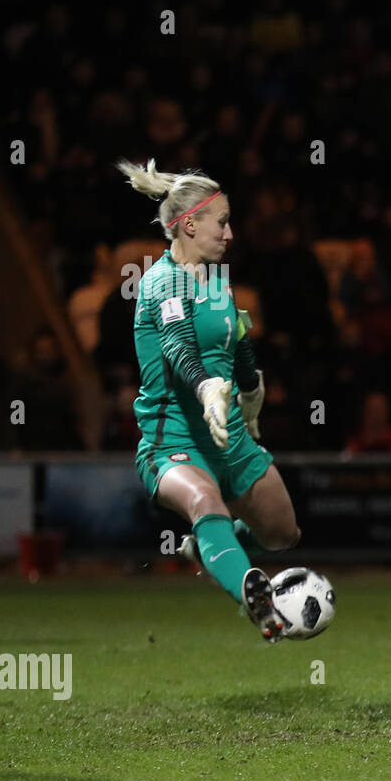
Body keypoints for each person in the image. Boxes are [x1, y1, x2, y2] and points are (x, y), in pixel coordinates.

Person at [119, 158, 300, 642]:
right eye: (222, 222)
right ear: (190, 223)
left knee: (283, 533)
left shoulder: (217, 280)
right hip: (174, 434)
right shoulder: (160, 282)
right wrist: (205, 389)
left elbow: (238, 342)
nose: (231, 233)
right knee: (205, 502)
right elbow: (178, 345)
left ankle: (209, 548)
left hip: (230, 433)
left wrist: (251, 390)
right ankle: (254, 594)